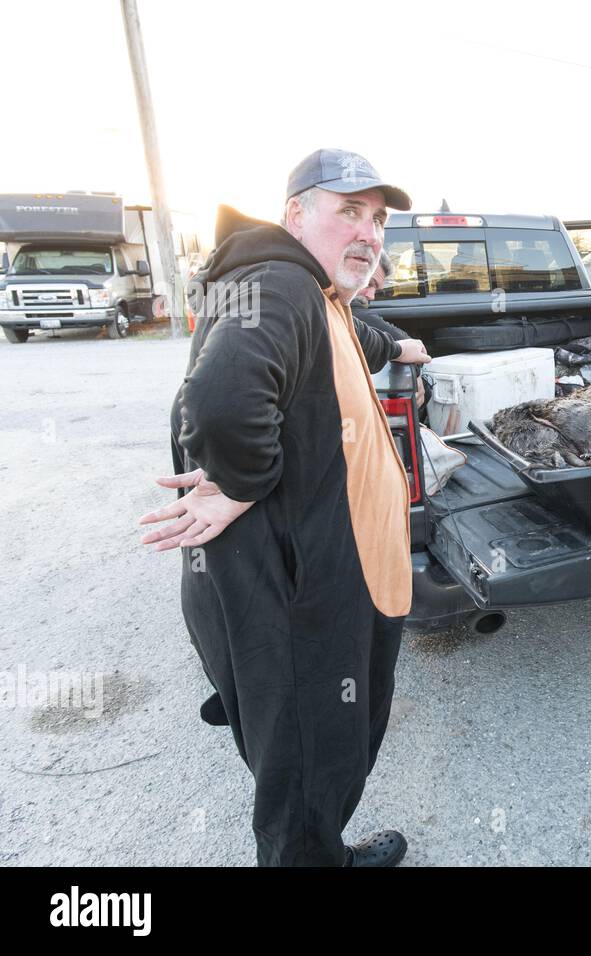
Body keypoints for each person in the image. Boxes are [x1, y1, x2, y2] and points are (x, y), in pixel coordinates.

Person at [139, 148, 431, 865]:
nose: (368, 232)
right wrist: (240, 483)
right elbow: (220, 401)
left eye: (379, 219)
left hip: (278, 580)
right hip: (298, 591)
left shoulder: (301, 287)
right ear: (295, 213)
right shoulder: (280, 284)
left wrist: (398, 340)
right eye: (349, 211)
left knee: (295, 746)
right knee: (309, 762)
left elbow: (343, 335)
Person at [351, 251, 433, 424]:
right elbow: (408, 345)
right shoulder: (345, 311)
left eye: (376, 289)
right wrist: (414, 373)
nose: (371, 296)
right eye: (369, 284)